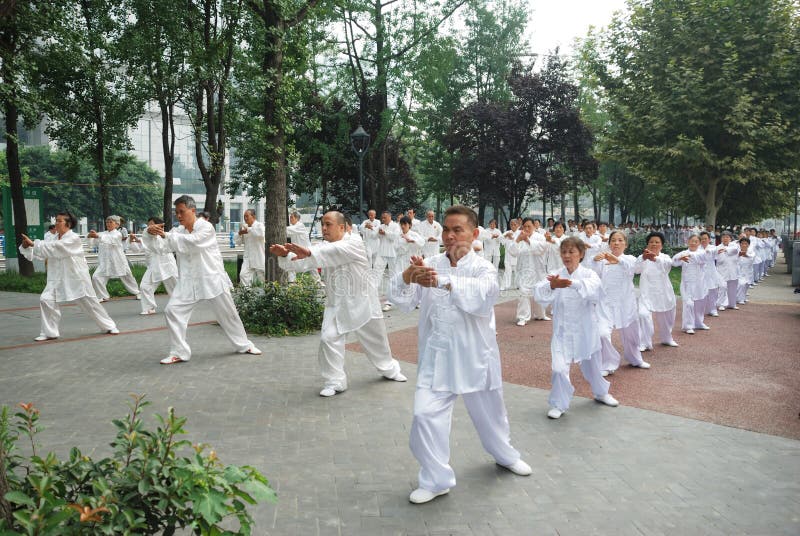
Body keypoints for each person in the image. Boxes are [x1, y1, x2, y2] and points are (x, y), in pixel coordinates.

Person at [389, 205, 532, 504]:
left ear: (474, 233)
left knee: (491, 415)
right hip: (437, 357)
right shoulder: (429, 262)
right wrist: (407, 275)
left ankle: (505, 455)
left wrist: (441, 280)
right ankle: (436, 478)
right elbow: (401, 301)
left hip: (475, 356)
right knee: (424, 415)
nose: (450, 236)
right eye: (446, 230)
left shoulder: (484, 267)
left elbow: (483, 295)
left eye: (458, 230)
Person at [270, 211, 407, 396]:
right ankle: (335, 381)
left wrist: (310, 252)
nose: (324, 228)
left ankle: (390, 370)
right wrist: (284, 256)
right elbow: (301, 264)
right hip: (336, 304)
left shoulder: (354, 242)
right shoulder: (323, 246)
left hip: (363, 302)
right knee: (328, 338)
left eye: (328, 224)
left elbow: (332, 252)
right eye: (322, 225)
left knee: (377, 342)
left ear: (342, 227)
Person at [147, 195, 261, 364]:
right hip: (188, 281)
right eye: (176, 212)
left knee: (228, 314)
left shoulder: (206, 227)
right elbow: (162, 247)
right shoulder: (178, 231)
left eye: (182, 212)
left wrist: (166, 235)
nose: (178, 216)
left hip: (211, 278)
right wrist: (151, 234)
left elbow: (193, 243)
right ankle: (179, 351)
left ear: (192, 211)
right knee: (172, 310)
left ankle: (244, 344)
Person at [533, 237, 619, 419]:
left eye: (571, 251)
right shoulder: (555, 274)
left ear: (581, 254)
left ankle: (601, 393)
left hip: (586, 330)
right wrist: (552, 285)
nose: (567, 255)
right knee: (558, 369)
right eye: (564, 251)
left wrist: (572, 283)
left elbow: (595, 291)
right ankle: (559, 403)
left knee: (593, 366)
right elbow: (539, 292)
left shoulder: (589, 274)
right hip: (562, 332)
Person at [19, 211, 119, 340]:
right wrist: (27, 247)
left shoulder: (73, 238)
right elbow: (43, 252)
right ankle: (50, 332)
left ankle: (109, 325)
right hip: (56, 278)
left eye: (59, 220)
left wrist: (34, 244)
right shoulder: (52, 238)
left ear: (69, 224)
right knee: (46, 300)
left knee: (90, 303)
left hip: (76, 277)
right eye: (56, 220)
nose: (56, 223)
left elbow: (56, 248)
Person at [590, 231, 651, 373]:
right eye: (613, 240)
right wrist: (594, 261)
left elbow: (636, 269)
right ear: (609, 243)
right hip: (605, 303)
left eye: (620, 240)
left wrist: (618, 260)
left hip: (626, 303)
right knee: (602, 333)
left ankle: (635, 359)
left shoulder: (629, 259)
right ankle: (608, 364)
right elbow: (593, 276)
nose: (616, 243)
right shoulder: (602, 260)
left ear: (625, 244)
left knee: (632, 334)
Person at [635, 231, 679, 348]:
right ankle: (645, 342)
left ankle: (667, 338)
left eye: (657, 242)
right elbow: (636, 270)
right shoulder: (642, 257)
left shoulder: (665, 257)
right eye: (651, 242)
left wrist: (655, 259)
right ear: (647, 244)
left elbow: (667, 265)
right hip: (647, 292)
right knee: (643, 315)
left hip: (663, 292)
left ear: (662, 245)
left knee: (666, 317)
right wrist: (644, 258)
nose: (654, 244)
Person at [88, 215, 141, 302]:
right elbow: (93, 243)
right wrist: (90, 236)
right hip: (105, 261)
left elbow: (111, 239)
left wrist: (97, 236)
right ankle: (103, 296)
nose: (108, 224)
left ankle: (137, 292)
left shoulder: (118, 234)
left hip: (118, 260)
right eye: (107, 222)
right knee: (96, 277)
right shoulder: (103, 233)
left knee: (127, 276)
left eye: (110, 222)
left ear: (117, 225)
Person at [134, 217, 178, 315]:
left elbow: (162, 249)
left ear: (160, 226)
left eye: (152, 224)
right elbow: (138, 248)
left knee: (175, 288)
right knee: (145, 286)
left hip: (168, 266)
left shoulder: (166, 237)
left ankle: (179, 305)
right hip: (154, 267)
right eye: (149, 225)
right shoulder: (147, 238)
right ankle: (149, 307)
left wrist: (163, 236)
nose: (150, 227)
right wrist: (133, 242)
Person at [509, 217, 549, 325]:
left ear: (534, 227)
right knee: (523, 292)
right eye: (525, 226)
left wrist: (528, 240)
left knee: (539, 292)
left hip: (537, 269)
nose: (526, 228)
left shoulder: (540, 237)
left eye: (529, 226)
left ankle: (540, 314)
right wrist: (518, 240)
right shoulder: (519, 236)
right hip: (524, 270)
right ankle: (523, 317)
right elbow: (512, 252)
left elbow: (542, 249)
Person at [672, 234, 708, 334]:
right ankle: (688, 325)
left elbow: (702, 259)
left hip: (699, 283)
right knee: (689, 303)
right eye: (691, 241)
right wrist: (680, 258)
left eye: (696, 241)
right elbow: (674, 262)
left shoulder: (702, 252)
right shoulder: (683, 253)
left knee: (700, 303)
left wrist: (688, 256)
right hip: (687, 283)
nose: (693, 243)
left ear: (699, 243)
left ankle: (699, 323)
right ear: (688, 242)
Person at [375, 211, 401, 310]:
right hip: (382, 252)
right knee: (377, 273)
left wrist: (385, 233)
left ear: (390, 217)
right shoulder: (381, 226)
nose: (383, 219)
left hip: (393, 253)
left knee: (393, 276)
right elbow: (374, 236)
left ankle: (390, 301)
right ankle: (372, 296)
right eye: (382, 218)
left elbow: (394, 236)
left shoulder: (395, 226)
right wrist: (377, 232)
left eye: (385, 217)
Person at [285, 211, 321, 283]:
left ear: (297, 218)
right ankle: (292, 283)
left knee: (312, 268)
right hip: (298, 252)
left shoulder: (300, 226)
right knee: (291, 265)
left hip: (306, 251)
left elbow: (287, 230)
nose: (290, 219)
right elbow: (287, 232)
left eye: (291, 217)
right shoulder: (294, 227)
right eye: (290, 217)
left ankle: (318, 284)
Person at [237, 209, 265, 286]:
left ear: (253, 216)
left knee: (262, 278)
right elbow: (238, 242)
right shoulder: (244, 227)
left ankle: (266, 295)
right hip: (247, 257)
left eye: (247, 216)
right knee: (243, 275)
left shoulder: (259, 225)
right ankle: (247, 294)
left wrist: (249, 229)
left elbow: (261, 234)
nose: (245, 218)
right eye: (244, 216)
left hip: (258, 256)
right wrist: (240, 233)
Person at [715, 231, 739, 311]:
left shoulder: (735, 245)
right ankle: (721, 304)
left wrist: (725, 249)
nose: (725, 239)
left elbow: (735, 250)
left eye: (727, 237)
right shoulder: (718, 247)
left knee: (732, 288)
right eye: (723, 237)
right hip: (721, 270)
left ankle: (732, 304)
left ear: (730, 238)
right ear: (721, 238)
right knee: (723, 286)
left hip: (733, 270)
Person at [500, 219, 520, 290]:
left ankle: (519, 285)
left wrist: (512, 239)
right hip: (508, 255)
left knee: (518, 271)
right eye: (511, 224)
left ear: (518, 225)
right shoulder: (507, 232)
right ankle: (505, 285)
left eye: (515, 224)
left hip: (517, 255)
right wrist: (506, 236)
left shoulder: (520, 233)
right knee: (507, 270)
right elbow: (500, 241)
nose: (513, 226)